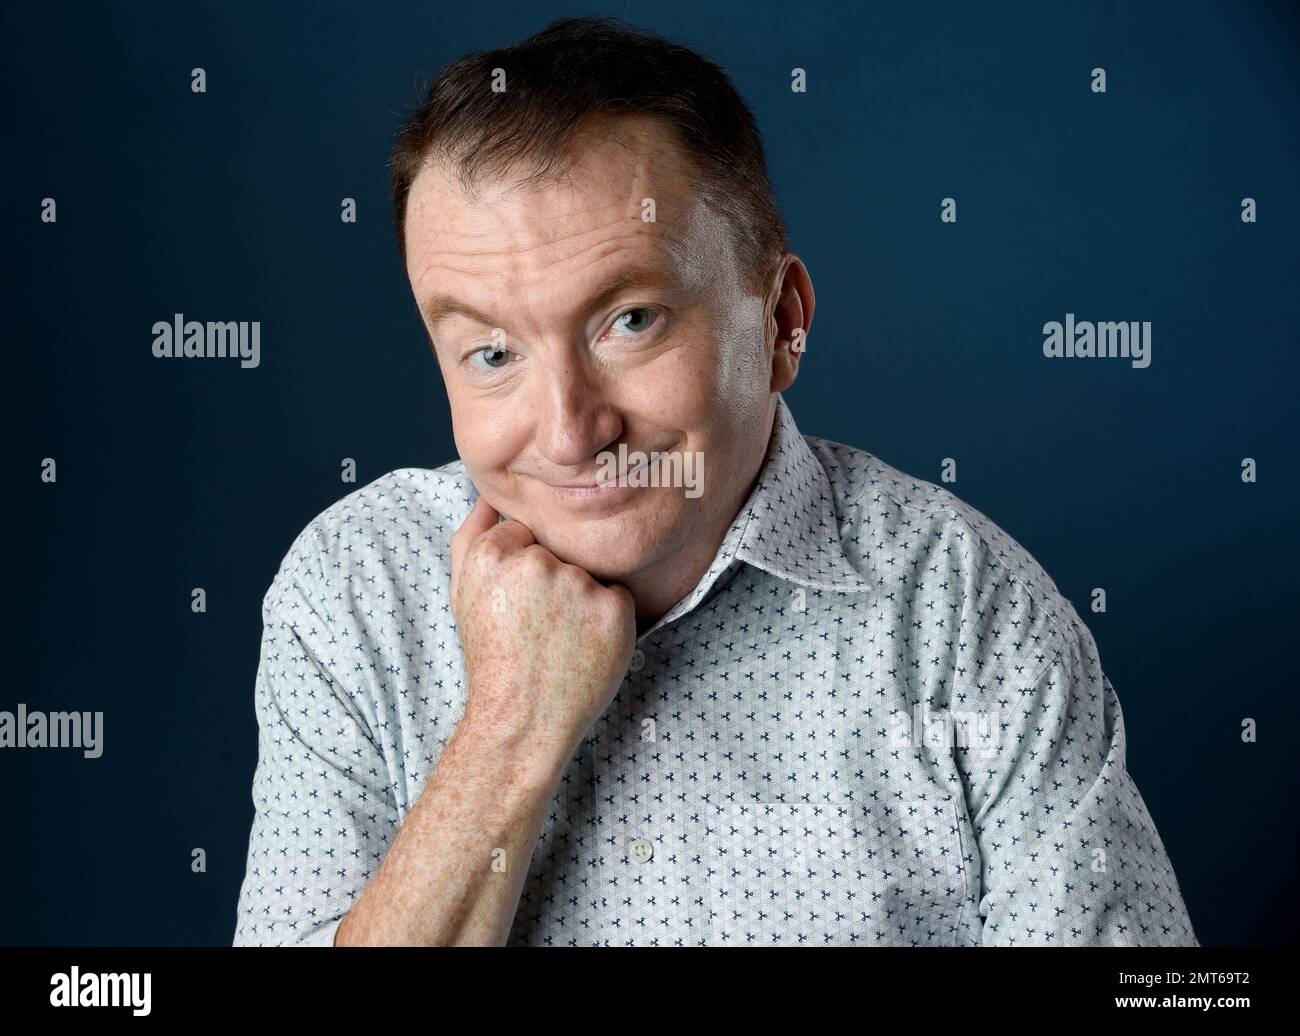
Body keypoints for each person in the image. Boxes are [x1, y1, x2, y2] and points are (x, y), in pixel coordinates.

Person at [233, 16, 1197, 947]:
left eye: (632, 320)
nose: (571, 432)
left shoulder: (970, 619)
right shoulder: (354, 592)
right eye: (490, 353)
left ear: (782, 322)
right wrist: (512, 725)